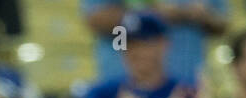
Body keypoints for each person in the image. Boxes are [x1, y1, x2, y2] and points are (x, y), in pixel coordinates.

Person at [82, 1, 226, 86]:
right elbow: (96, 18)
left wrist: (201, 15)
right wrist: (154, 13)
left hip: (186, 83)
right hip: (125, 84)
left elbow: (223, 22)